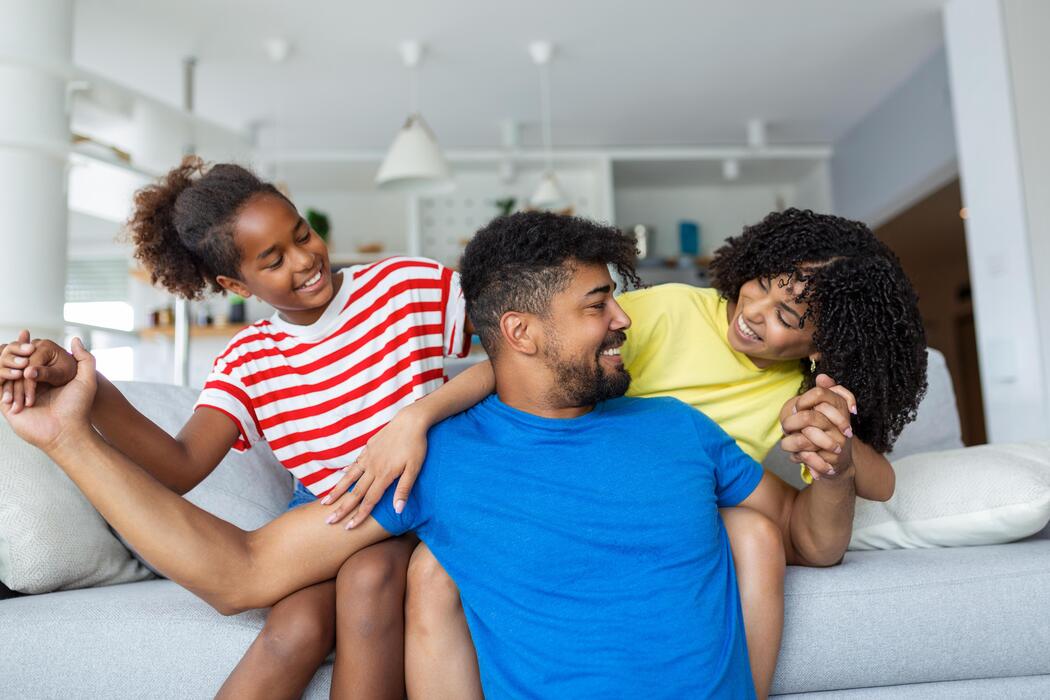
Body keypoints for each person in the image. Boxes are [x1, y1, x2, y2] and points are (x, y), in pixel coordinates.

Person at [1, 212, 859, 698]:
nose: (624, 320)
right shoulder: (439, 464)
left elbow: (811, 542)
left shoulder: (677, 428)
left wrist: (836, 470)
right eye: (599, 304)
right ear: (521, 332)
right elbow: (240, 571)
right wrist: (70, 439)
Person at [343, 209, 928, 699]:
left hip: (680, 499)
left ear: (824, 344)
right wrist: (417, 417)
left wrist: (837, 443)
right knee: (430, 566)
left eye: (787, 315)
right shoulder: (670, 312)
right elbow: (524, 363)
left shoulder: (792, 394)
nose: (755, 311)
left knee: (754, 532)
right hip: (583, 470)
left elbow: (876, 487)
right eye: (761, 285)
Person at [0, 156, 493, 700]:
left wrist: (423, 416)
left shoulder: (403, 285)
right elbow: (180, 465)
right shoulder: (248, 358)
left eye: (302, 234)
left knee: (368, 579)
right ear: (237, 284)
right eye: (274, 260)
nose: (305, 260)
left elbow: (515, 345)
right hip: (321, 513)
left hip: (407, 494)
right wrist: (88, 386)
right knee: (294, 630)